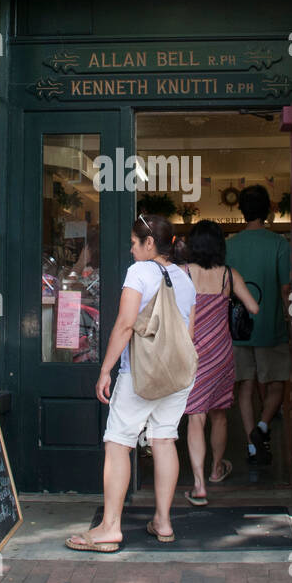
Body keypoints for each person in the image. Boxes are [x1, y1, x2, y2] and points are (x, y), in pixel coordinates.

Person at [66, 214, 196, 551]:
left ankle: (110, 527)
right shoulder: (185, 279)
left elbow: (125, 325)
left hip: (141, 373)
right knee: (165, 440)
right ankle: (164, 522)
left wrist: (105, 369)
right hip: (177, 375)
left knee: (118, 442)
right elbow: (187, 336)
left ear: (149, 243)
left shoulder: (140, 272)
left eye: (133, 242)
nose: (130, 247)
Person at [180, 220, 260, 505]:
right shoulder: (229, 274)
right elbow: (253, 307)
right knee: (219, 414)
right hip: (221, 353)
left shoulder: (183, 273)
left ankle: (199, 484)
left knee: (195, 416)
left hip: (192, 353)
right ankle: (216, 469)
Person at [225, 185, 291, 465]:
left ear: (241, 210)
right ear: (267, 211)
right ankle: (263, 427)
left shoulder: (229, 246)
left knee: (245, 386)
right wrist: (291, 318)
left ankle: (252, 444)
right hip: (270, 327)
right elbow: (287, 290)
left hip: (237, 330)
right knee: (278, 382)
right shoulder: (279, 245)